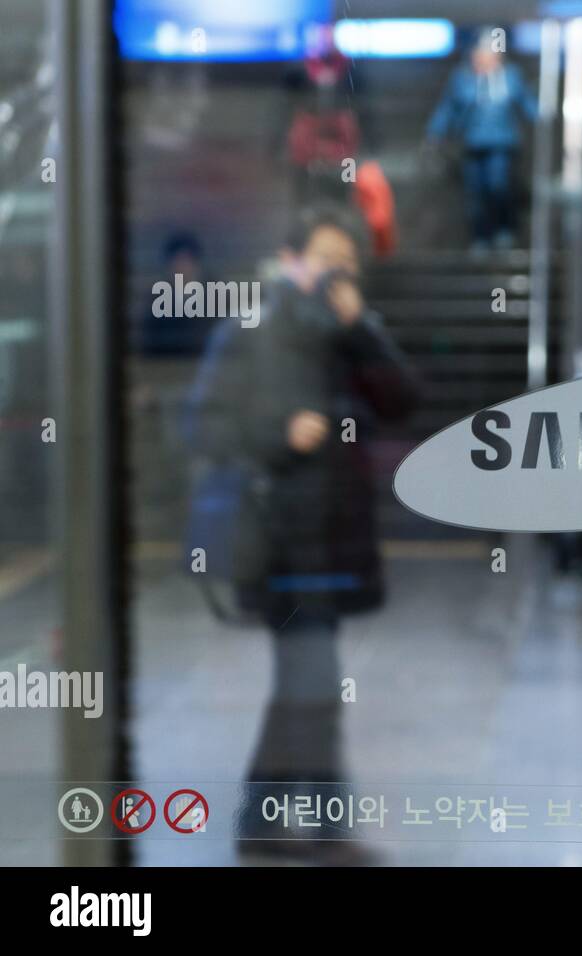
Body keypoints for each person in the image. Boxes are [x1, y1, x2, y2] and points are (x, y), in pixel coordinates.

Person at [186, 203, 422, 862]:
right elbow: (201, 425)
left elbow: (404, 398)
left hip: (335, 541)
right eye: (323, 259)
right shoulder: (251, 327)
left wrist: (362, 329)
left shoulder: (350, 335)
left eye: (346, 264)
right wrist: (277, 435)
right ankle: (311, 828)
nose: (333, 274)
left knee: (308, 681)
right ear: (290, 261)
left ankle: (276, 824)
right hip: (277, 539)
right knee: (311, 678)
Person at [425, 29, 537, 251]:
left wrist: (541, 114)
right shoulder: (464, 79)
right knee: (476, 193)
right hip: (472, 143)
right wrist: (435, 131)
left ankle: (504, 229)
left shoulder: (509, 76)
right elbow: (448, 108)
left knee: (498, 185)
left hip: (501, 143)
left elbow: (526, 101)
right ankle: (480, 236)